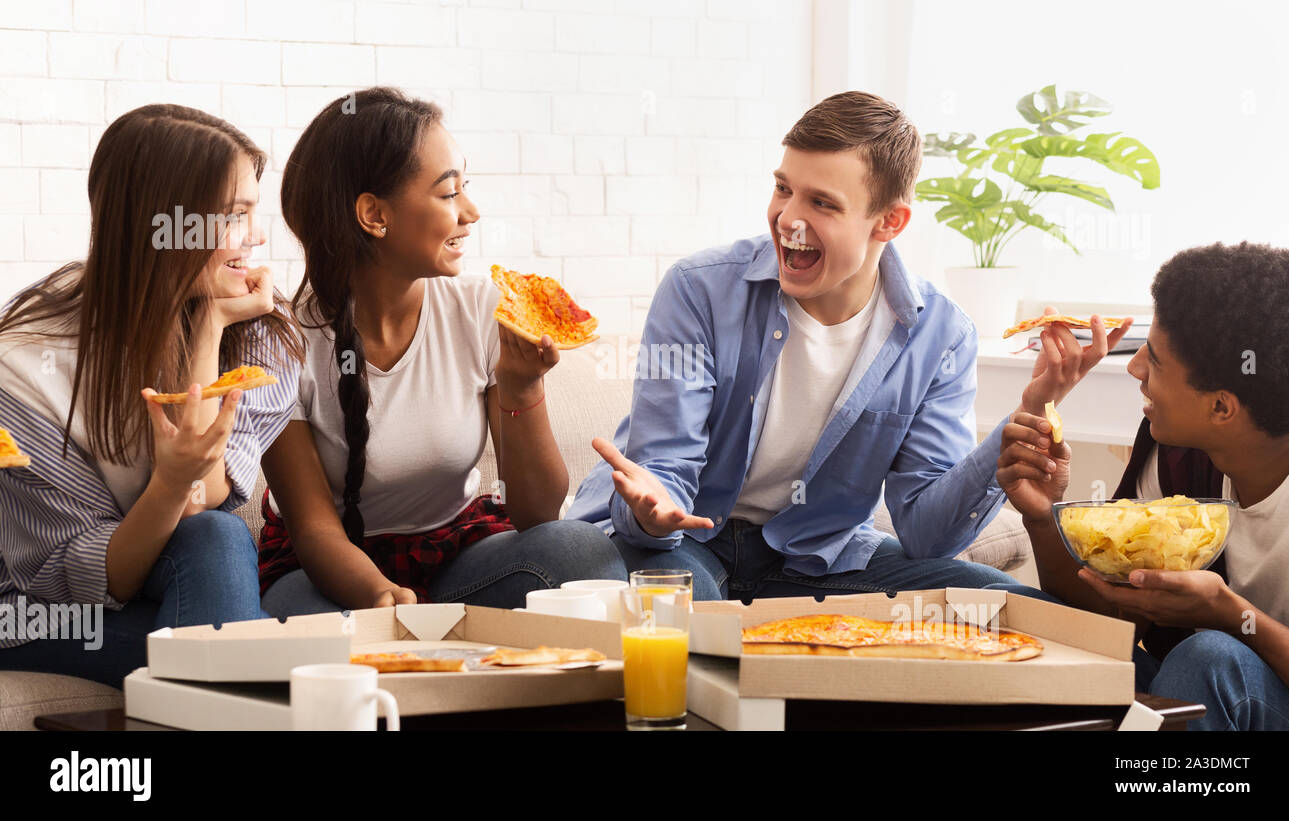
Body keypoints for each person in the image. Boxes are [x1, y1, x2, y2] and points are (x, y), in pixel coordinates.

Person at [567, 91, 1131, 601]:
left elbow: (926, 534)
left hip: (810, 558)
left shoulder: (940, 335)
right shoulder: (699, 290)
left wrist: (1026, 416)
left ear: (890, 221)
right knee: (695, 624)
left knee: (1009, 608)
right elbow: (665, 467)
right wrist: (654, 513)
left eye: (822, 203)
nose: (788, 220)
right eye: (783, 189)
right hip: (681, 542)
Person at [257, 87, 625, 617]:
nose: (471, 212)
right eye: (449, 193)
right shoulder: (281, 342)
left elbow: (538, 513)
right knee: (313, 630)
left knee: (579, 551)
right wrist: (384, 603)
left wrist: (523, 388)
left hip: (455, 555)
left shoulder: (481, 308)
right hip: (328, 568)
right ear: (373, 214)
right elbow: (315, 530)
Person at [0, 105, 302, 687]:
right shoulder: (25, 371)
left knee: (216, 535)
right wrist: (167, 483)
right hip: (54, 614)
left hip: (181, 575)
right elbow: (93, 577)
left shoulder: (256, 330)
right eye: (235, 216)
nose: (259, 236)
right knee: (251, 655)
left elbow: (204, 499)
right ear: (164, 228)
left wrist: (211, 329)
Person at [997, 242, 1289, 730]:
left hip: (1258, 697)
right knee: (992, 599)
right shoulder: (1178, 450)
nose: (1135, 368)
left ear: (1222, 408)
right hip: (1193, 692)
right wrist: (1044, 517)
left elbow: (1219, 647)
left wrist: (1230, 614)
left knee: (1209, 658)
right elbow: (1113, 621)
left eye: (1154, 361)